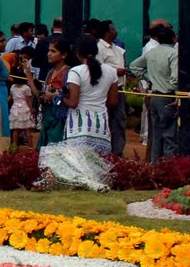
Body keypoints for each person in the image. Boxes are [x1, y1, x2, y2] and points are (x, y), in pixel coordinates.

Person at [59, 34, 117, 155]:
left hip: (78, 129)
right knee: (98, 164)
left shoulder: (76, 71)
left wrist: (59, 98)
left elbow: (73, 103)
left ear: (78, 52)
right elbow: (113, 101)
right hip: (101, 128)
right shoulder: (111, 71)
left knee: (77, 164)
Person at [130, 23, 179, 163]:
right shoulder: (174, 54)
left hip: (153, 96)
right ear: (174, 39)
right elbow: (175, 78)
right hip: (167, 96)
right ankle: (168, 166)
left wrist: (149, 78)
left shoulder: (151, 52)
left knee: (156, 133)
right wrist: (174, 92)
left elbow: (134, 66)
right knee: (170, 134)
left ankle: (154, 164)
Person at [87, 20, 128, 157]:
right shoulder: (99, 48)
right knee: (105, 120)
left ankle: (117, 152)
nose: (116, 31)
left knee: (119, 121)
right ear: (106, 33)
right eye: (113, 29)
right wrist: (117, 72)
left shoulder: (116, 48)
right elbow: (98, 69)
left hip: (119, 89)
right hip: (105, 90)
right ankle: (102, 151)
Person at [37, 35, 75, 148]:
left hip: (59, 117)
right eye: (49, 50)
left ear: (64, 55)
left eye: (53, 51)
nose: (49, 54)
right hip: (47, 115)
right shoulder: (51, 72)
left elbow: (70, 95)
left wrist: (54, 95)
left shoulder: (68, 73)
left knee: (55, 149)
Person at [9, 71, 36, 149]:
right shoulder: (26, 88)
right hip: (25, 108)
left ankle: (14, 148)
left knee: (15, 130)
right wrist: (32, 111)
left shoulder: (12, 87)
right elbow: (29, 101)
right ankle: (31, 148)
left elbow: (10, 98)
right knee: (27, 129)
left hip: (15, 109)